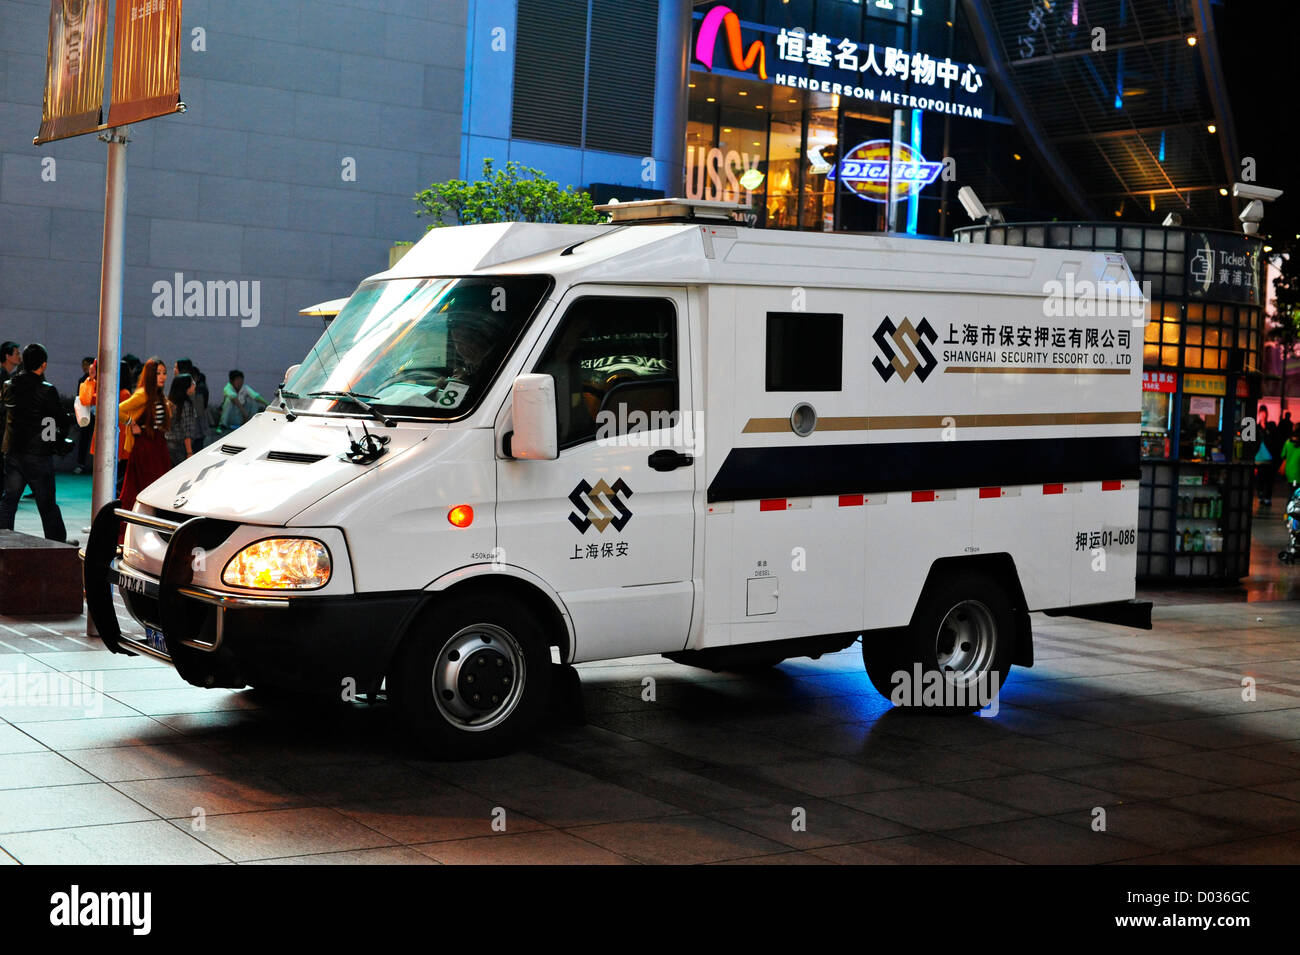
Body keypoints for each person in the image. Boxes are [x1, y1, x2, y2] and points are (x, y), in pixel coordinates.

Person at [0, 343, 71, 542]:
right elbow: (59, 418)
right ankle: (57, 546)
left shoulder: (8, 386)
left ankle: (3, 543)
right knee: (47, 505)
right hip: (38, 454)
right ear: (44, 365)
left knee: (9, 501)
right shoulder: (46, 390)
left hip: (13, 452)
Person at [118, 358, 172, 512]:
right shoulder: (143, 394)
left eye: (164, 373)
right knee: (144, 486)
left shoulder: (158, 394)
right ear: (150, 375)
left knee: (158, 486)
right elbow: (119, 409)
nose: (162, 376)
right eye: (158, 373)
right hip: (145, 445)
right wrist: (132, 423)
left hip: (158, 444)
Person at [79, 359, 134, 494]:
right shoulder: (107, 391)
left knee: (113, 484)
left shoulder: (123, 394)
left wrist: (119, 451)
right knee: (108, 483)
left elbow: (122, 425)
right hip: (108, 440)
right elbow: (85, 399)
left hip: (115, 443)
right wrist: (91, 379)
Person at [165, 373, 202, 466]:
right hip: (179, 446)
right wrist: (189, 452)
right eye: (192, 384)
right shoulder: (185, 404)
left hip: (168, 444)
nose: (194, 385)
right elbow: (187, 430)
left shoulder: (170, 402)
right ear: (186, 387)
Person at [175, 358, 210, 450]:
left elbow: (199, 411)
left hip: (194, 432)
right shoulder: (184, 385)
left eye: (176, 368)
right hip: (189, 432)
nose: (174, 370)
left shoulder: (196, 389)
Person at [74, 356, 94, 473]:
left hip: (96, 412)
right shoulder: (82, 380)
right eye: (83, 364)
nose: (85, 367)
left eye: (87, 364)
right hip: (86, 412)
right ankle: (80, 464)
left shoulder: (99, 379)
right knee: (84, 439)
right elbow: (79, 397)